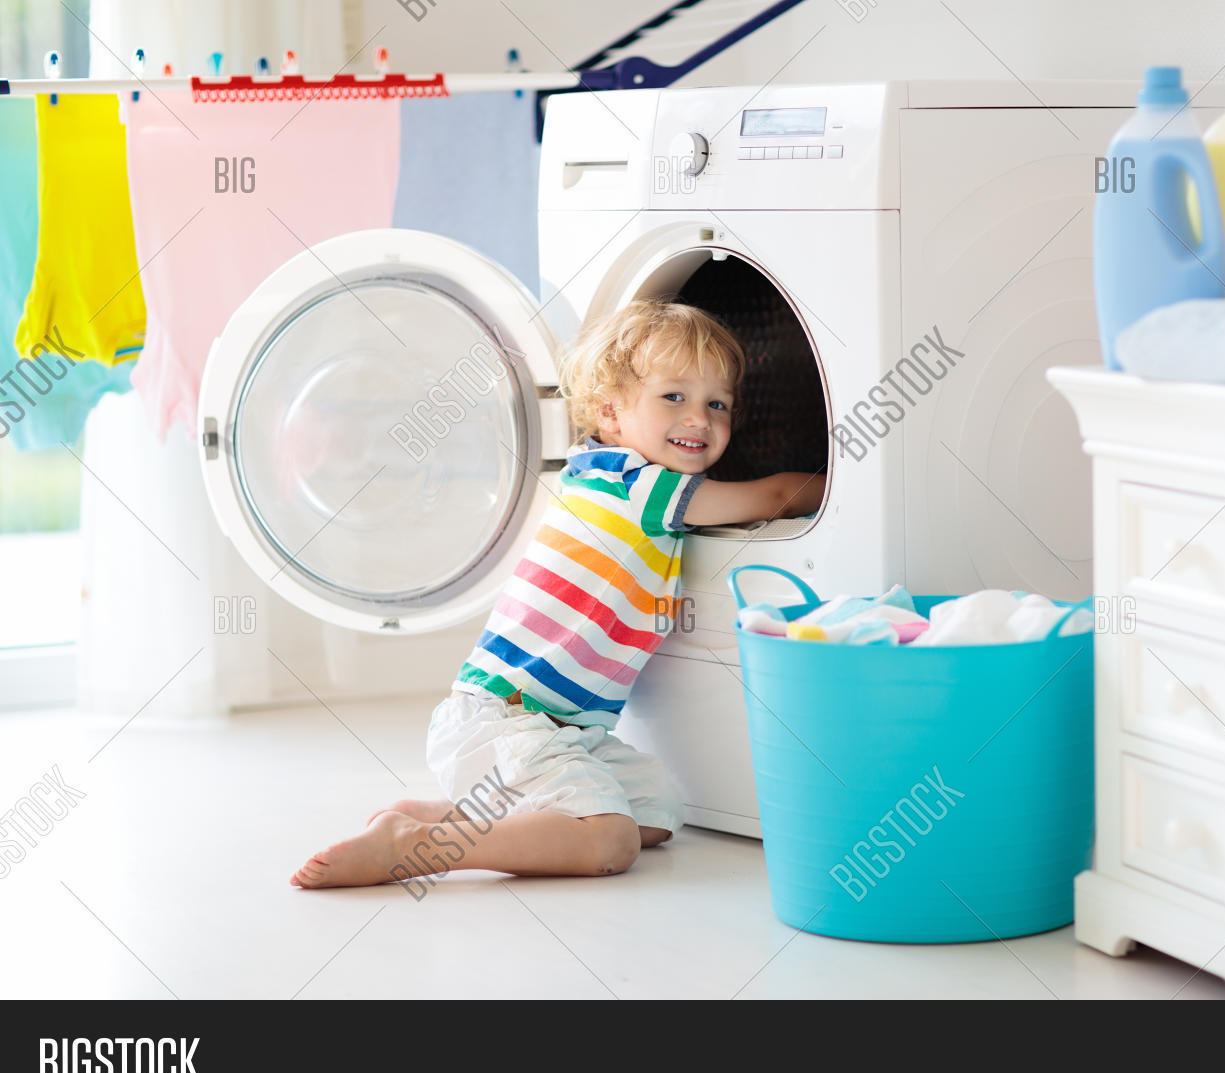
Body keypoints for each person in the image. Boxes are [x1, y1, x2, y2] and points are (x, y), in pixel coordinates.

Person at [292, 300, 826, 888]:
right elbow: (772, 496)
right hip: (507, 721)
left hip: (562, 730)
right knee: (610, 842)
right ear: (610, 413)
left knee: (655, 814)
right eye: (674, 396)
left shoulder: (591, 471)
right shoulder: (640, 487)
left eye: (717, 403)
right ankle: (418, 847)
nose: (699, 418)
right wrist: (845, 478)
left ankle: (437, 818)